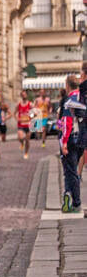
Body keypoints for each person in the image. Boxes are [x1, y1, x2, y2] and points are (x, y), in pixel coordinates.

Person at [58, 74, 86, 213]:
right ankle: (67, 194)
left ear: (67, 85)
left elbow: (67, 123)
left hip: (71, 139)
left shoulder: (69, 100)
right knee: (71, 170)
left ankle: (76, 202)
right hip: (81, 138)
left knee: (70, 171)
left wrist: (63, 142)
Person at [15, 90, 34, 159]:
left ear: (27, 95)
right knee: (20, 137)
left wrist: (31, 117)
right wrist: (17, 118)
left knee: (27, 140)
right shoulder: (18, 105)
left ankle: (26, 153)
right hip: (21, 124)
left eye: (25, 95)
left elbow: (34, 113)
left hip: (28, 125)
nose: (24, 96)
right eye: (22, 95)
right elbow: (15, 113)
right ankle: (21, 143)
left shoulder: (30, 104)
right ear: (21, 96)